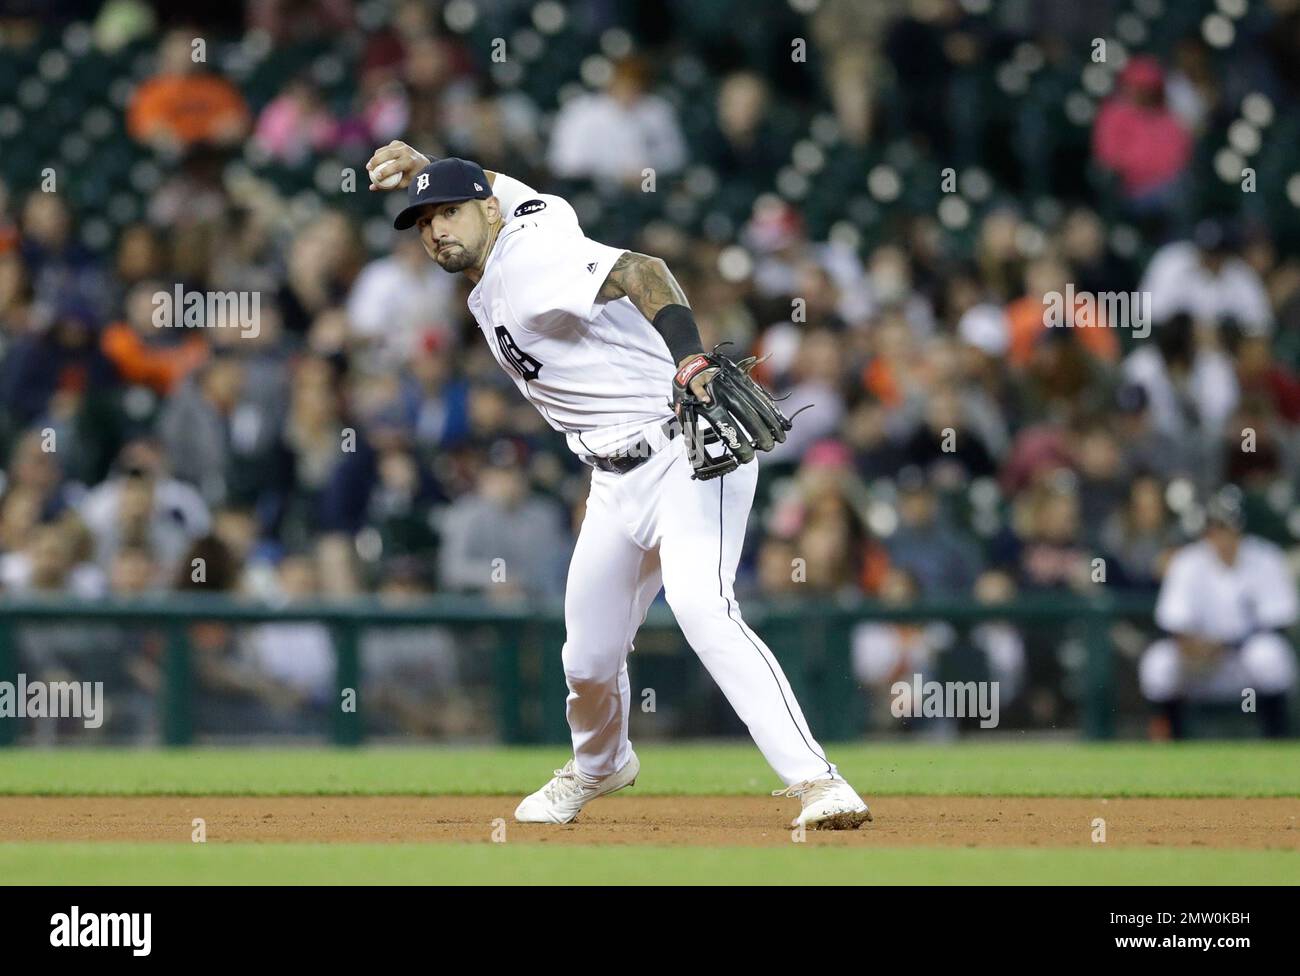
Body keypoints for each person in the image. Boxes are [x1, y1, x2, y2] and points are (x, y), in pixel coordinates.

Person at [364, 141, 871, 829]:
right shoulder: (521, 217)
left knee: (703, 609)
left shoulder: (530, 262)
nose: (435, 230)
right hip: (612, 482)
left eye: (447, 212)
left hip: (685, 452)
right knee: (588, 656)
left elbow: (643, 269)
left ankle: (819, 781)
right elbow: (496, 191)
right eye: (424, 221)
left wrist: (690, 357)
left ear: (486, 210)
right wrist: (431, 169)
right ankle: (601, 764)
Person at [1139, 487, 1297, 738]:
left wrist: (1223, 645)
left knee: (1269, 656)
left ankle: (1276, 738)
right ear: (1208, 529)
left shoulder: (1266, 557)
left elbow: (1278, 622)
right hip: (1198, 663)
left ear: (1241, 528)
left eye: (1229, 526)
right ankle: (1172, 740)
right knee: (1158, 663)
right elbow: (1173, 623)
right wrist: (1193, 648)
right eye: (1217, 526)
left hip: (1242, 662)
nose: (1223, 533)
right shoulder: (1188, 562)